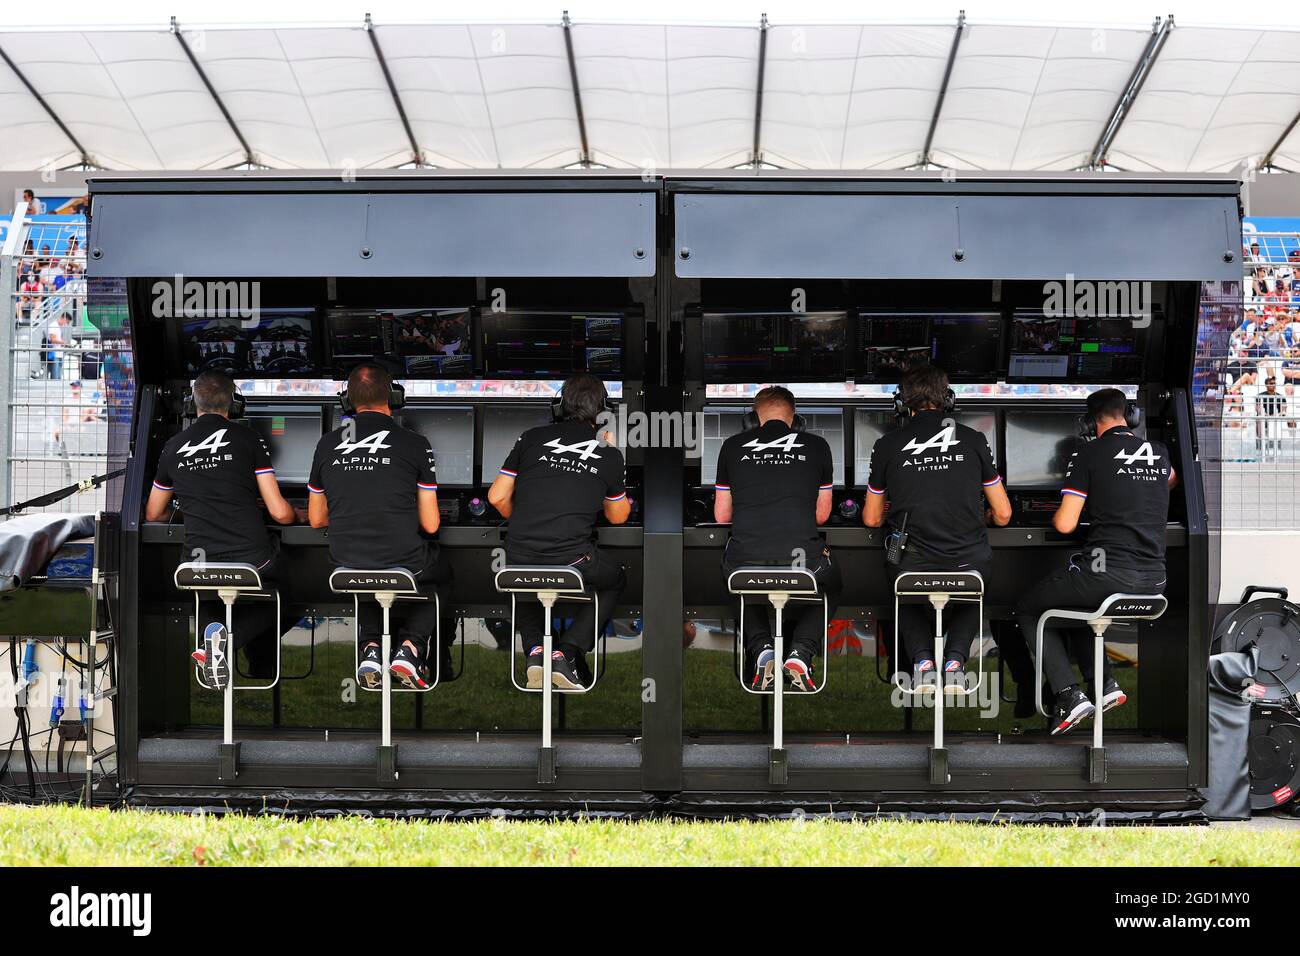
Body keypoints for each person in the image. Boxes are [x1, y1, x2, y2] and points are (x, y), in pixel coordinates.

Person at [1013, 388, 1176, 735]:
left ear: (1088, 422)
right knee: (1072, 608)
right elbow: (1171, 479)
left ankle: (1069, 695)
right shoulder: (1159, 452)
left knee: (1028, 608)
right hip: (1155, 581)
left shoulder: (1089, 453)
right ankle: (1104, 686)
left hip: (1109, 576)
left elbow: (1065, 524)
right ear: (1129, 417)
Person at [145, 371, 300, 688]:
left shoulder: (173, 446)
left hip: (196, 564)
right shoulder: (248, 440)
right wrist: (298, 514)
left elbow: (154, 512)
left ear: (192, 404)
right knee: (293, 594)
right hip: (252, 560)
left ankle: (214, 645)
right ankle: (229, 645)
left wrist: (190, 503)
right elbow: (279, 513)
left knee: (206, 596)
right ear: (235, 404)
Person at [864, 364, 1012, 692]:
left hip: (911, 565)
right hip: (968, 562)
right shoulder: (974, 440)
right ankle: (955, 660)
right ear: (948, 399)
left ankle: (923, 662)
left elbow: (872, 519)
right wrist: (981, 517)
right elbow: (1003, 513)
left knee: (905, 594)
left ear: (902, 403)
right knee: (974, 593)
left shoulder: (887, 445)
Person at [308, 363, 456, 690]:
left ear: (347, 401)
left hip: (345, 563)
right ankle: (410, 647)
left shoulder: (327, 444)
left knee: (364, 572)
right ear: (393, 397)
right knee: (441, 576)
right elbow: (431, 525)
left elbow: (317, 519)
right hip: (404, 563)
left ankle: (372, 649)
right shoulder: (416, 443)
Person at [487, 373, 630, 690]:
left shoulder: (531, 438)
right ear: (603, 411)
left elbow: (496, 496)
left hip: (517, 555)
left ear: (558, 406)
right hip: (572, 560)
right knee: (615, 578)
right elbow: (618, 517)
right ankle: (567, 651)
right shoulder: (607, 454)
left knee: (522, 572)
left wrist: (525, 520)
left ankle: (536, 650)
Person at [713, 385, 840, 691]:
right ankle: (800, 651)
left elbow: (721, 516)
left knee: (735, 578)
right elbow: (821, 516)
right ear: (795, 420)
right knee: (833, 585)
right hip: (805, 565)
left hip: (745, 562)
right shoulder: (818, 446)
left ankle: (761, 649)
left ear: (752, 419)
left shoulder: (731, 446)